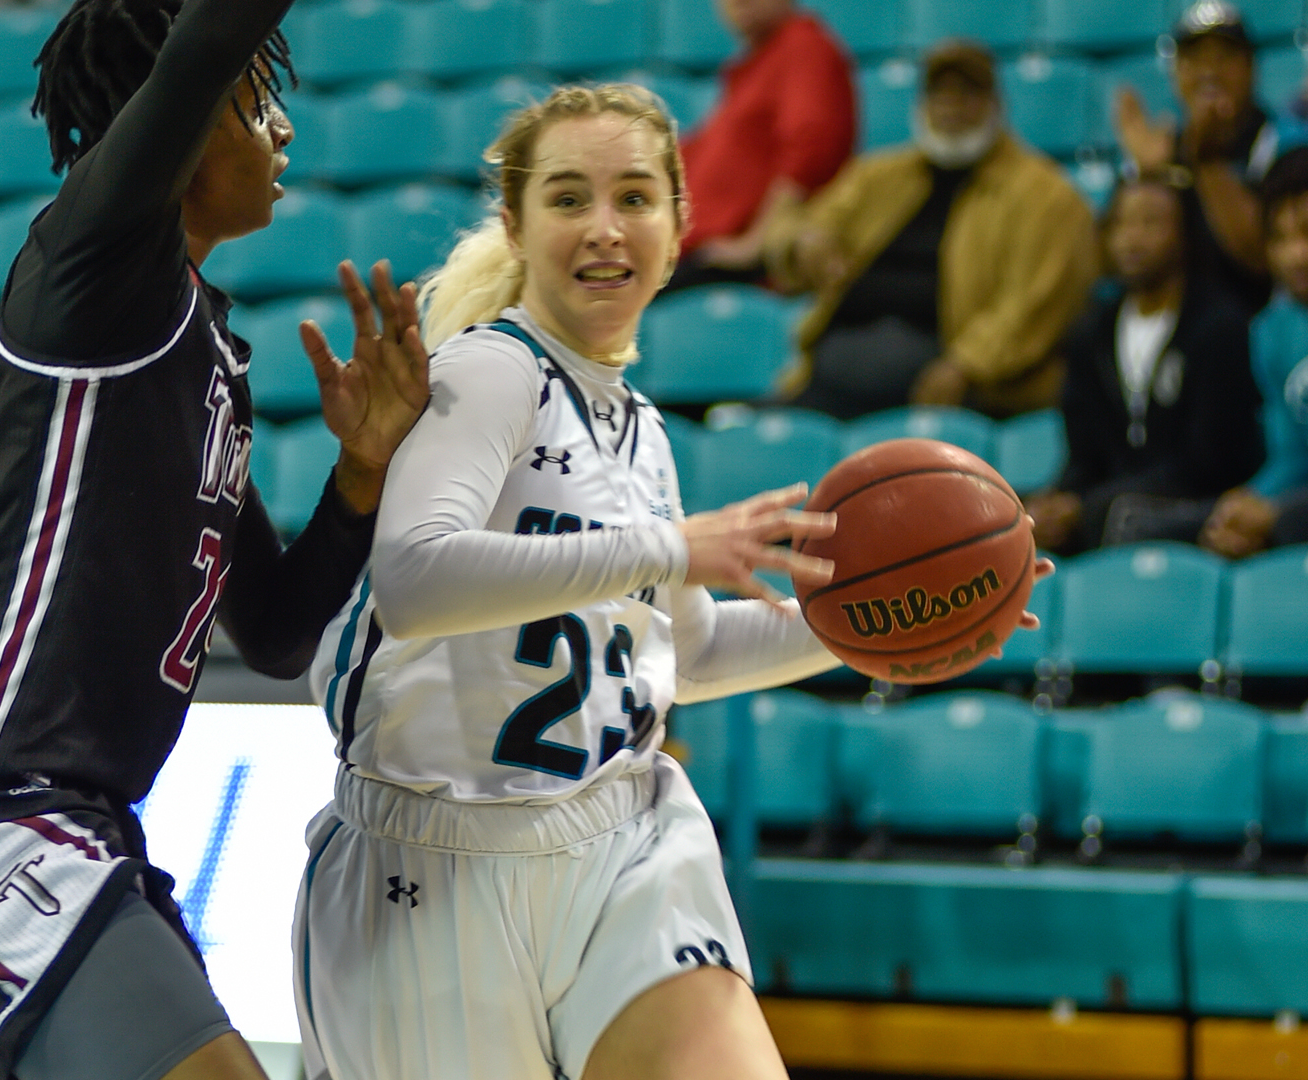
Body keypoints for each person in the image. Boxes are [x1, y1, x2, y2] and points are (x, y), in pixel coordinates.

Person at [295, 83, 1044, 1080]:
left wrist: (893, 621)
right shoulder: (490, 372)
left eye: (636, 197)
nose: (606, 226)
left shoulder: (640, 427)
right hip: (430, 860)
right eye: (569, 198)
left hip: (621, 838)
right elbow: (415, 580)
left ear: (680, 226)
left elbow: (688, 657)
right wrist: (668, 549)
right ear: (515, 225)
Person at [0, 0, 429, 1077]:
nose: (283, 128)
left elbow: (277, 632)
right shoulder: (91, 265)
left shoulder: (205, 354)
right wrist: (209, 60)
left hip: (79, 815)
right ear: (187, 122)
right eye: (256, 101)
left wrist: (361, 475)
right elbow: (202, 41)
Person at [762, 40, 1096, 420]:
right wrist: (803, 244)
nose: (951, 105)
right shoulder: (879, 177)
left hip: (949, 389)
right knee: (746, 431)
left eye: (967, 93)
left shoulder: (1046, 197)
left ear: (996, 104)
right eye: (939, 93)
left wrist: (966, 364)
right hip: (829, 377)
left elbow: (1034, 304)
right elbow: (794, 229)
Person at [1027, 176, 1265, 554]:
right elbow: (1084, 456)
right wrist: (1058, 503)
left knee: (1122, 517)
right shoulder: (1091, 332)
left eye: (1150, 222)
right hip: (1107, 506)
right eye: (1121, 223)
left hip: (1198, 505)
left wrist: (1087, 506)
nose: (1132, 238)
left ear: (1185, 233)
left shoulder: (1219, 327)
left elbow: (1211, 461)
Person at [1115, 1, 1308, 314]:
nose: (1209, 72)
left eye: (1224, 58)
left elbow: (1265, 256)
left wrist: (1207, 162)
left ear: (1251, 68)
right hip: (1182, 334)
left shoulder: (1289, 146)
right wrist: (1149, 177)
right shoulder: (1158, 151)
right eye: (1194, 59)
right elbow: (1111, 266)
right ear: (1176, 72)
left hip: (1261, 328)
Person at [1201, 147, 1308, 557]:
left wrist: (1275, 515)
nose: (1297, 255)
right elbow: (1292, 458)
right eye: (1280, 239)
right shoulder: (1271, 332)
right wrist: (1245, 505)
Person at [668, 0, 854, 287]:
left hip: (730, 262)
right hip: (697, 249)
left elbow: (813, 152)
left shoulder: (803, 47)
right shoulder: (762, 58)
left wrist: (755, 243)